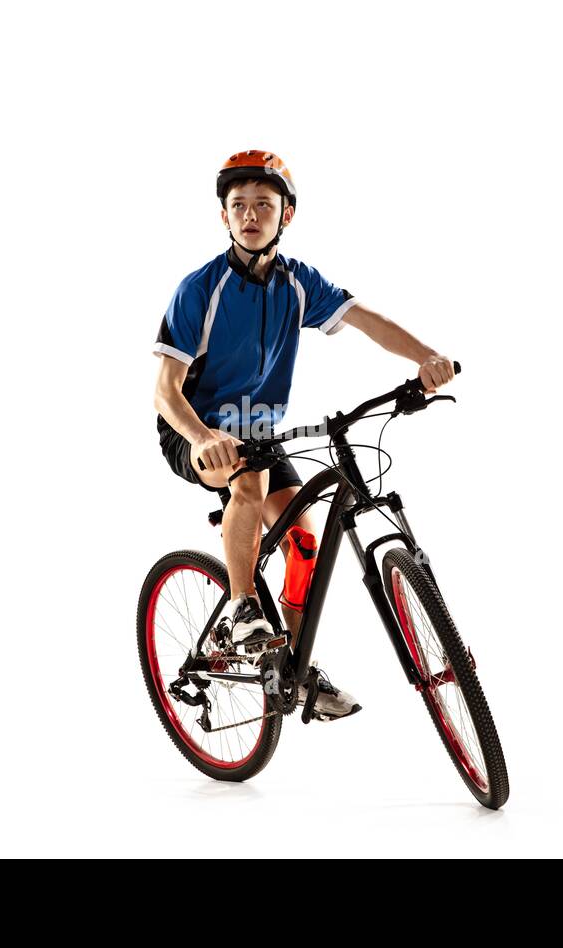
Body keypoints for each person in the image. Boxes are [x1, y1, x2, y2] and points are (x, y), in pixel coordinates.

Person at [152, 150, 456, 720]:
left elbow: (369, 321)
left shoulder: (298, 284)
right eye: (238, 205)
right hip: (195, 432)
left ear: (285, 215)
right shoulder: (200, 289)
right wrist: (200, 437)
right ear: (224, 216)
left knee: (306, 543)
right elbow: (165, 391)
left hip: (260, 435)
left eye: (262, 205)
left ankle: (290, 668)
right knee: (248, 478)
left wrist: (427, 359)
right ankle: (243, 608)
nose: (249, 214)